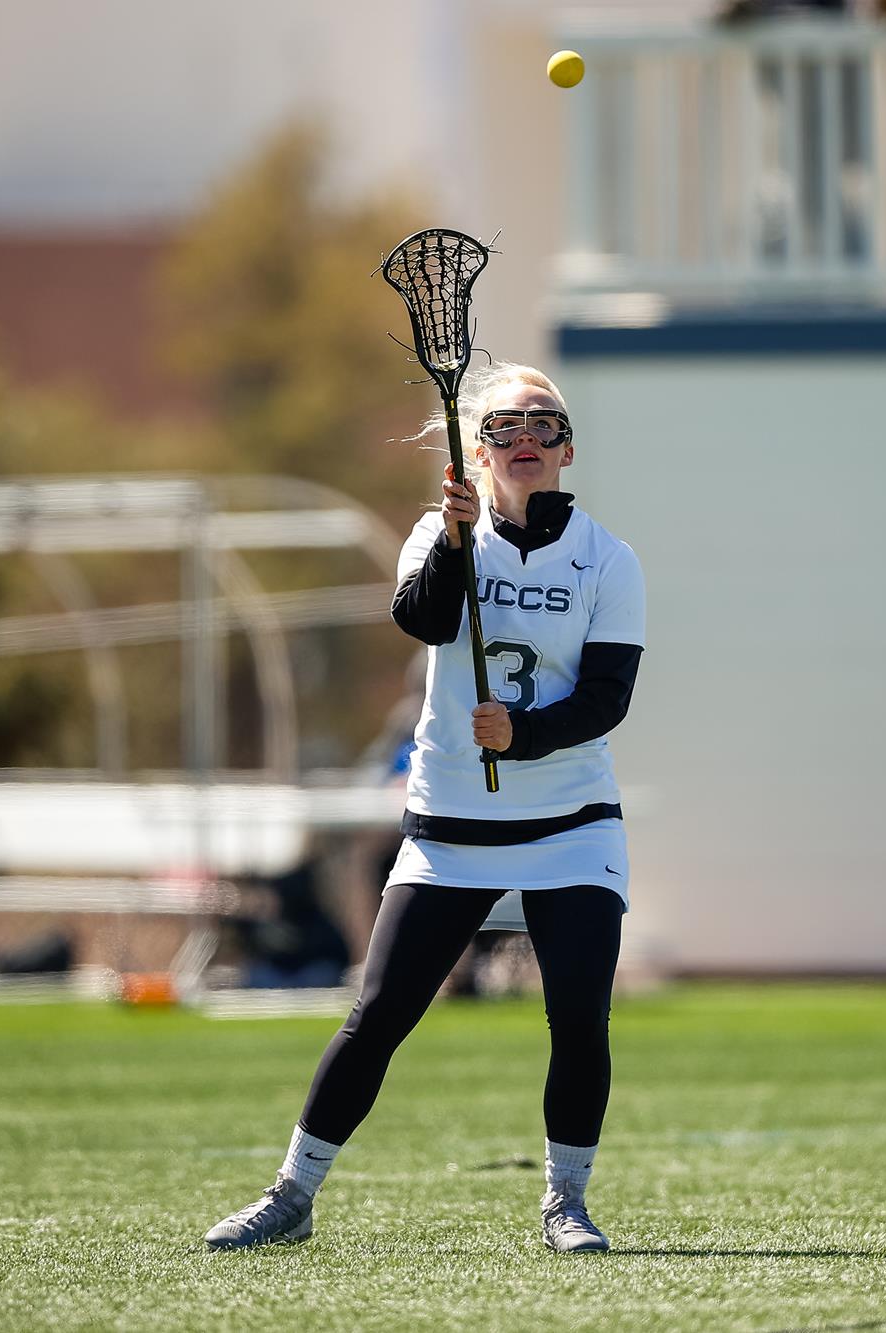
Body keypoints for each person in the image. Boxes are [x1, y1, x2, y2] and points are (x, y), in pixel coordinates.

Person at [203, 363, 646, 1253]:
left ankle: (567, 1200)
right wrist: (452, 540)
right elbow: (423, 621)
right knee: (380, 1015)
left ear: (569, 448)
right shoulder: (438, 534)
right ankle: (292, 1194)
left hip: (572, 825)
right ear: (477, 448)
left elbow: (607, 698)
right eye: (507, 425)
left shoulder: (609, 559)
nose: (528, 438)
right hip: (451, 830)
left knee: (578, 1018)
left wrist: (521, 734)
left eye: (546, 423)